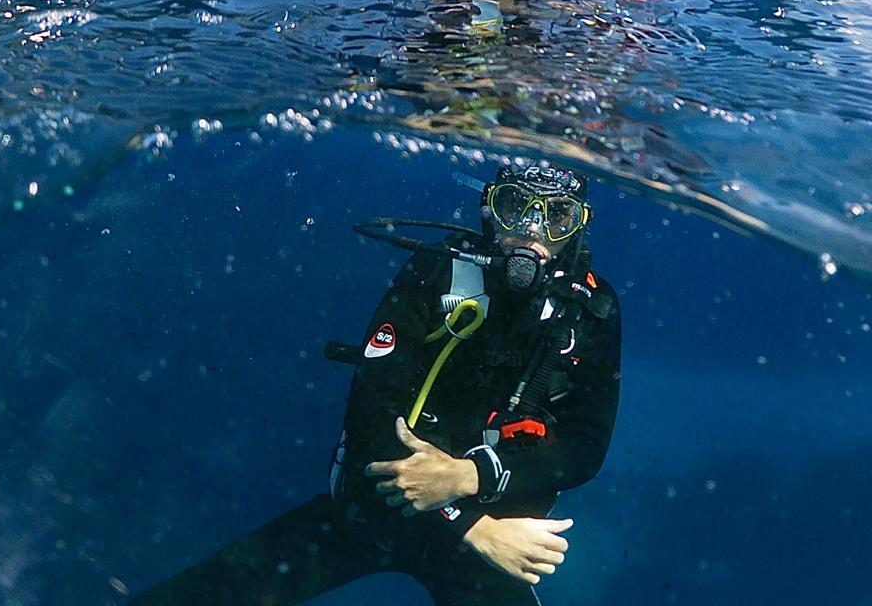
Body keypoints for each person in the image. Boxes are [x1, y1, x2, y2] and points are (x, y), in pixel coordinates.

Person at [129, 162, 621, 606]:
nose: (531, 233)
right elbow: (370, 413)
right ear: (489, 212)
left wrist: (466, 479)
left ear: (576, 229)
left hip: (493, 535)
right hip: (383, 511)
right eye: (514, 208)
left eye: (557, 217)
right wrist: (470, 525)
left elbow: (584, 448)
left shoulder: (592, 312)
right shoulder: (436, 270)